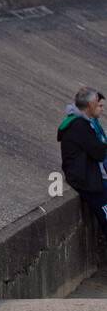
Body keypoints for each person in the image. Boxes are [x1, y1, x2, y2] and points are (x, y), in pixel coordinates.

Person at [58, 86, 107, 237]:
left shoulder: (82, 122)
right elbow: (99, 153)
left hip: (91, 176)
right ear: (91, 105)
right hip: (85, 180)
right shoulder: (79, 125)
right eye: (99, 105)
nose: (102, 108)